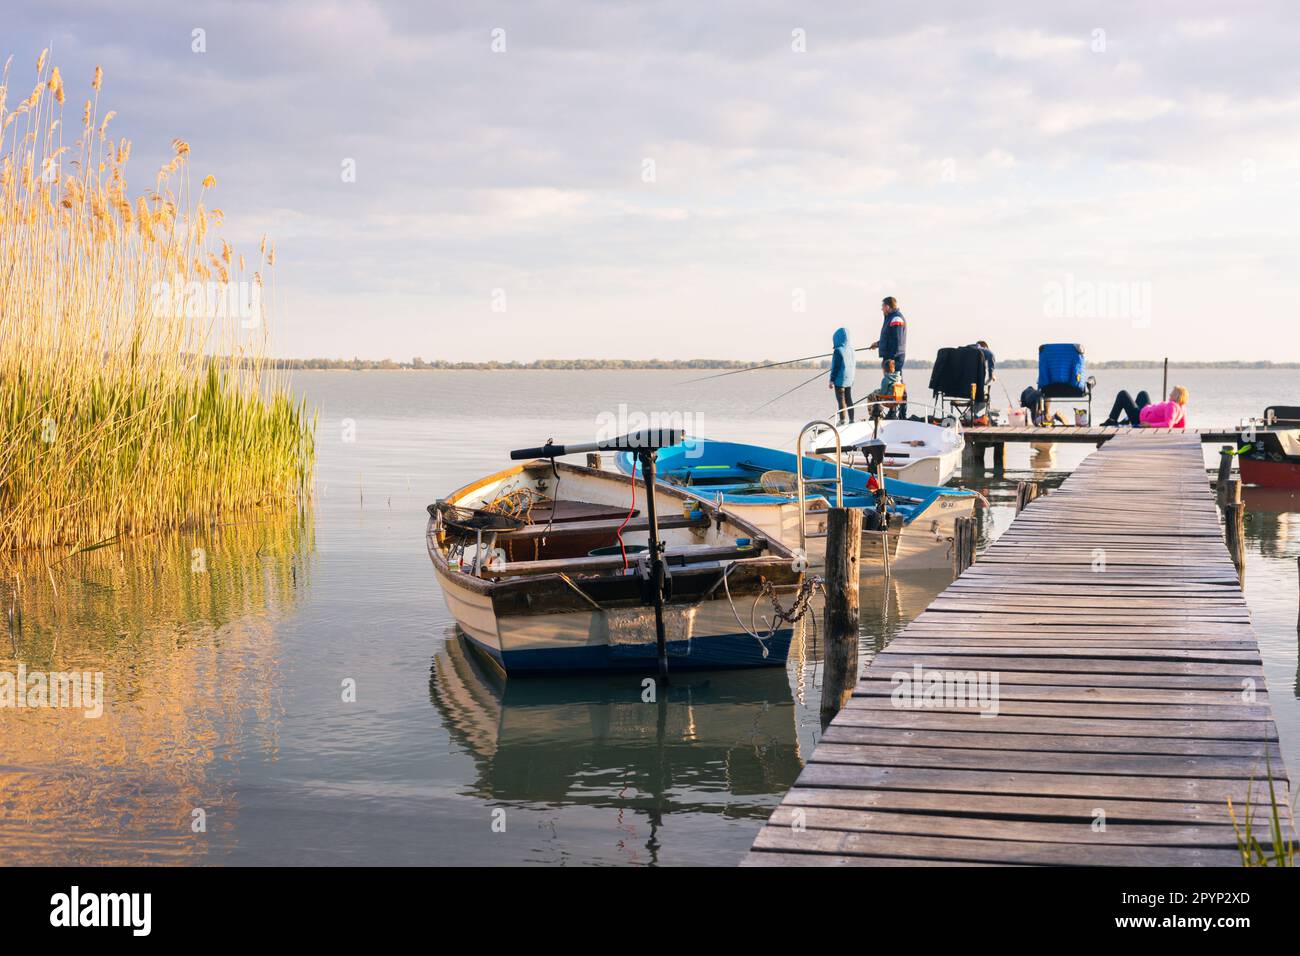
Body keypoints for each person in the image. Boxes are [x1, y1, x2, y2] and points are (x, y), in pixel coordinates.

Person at [869, 296, 907, 417]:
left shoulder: (896, 318)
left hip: (894, 358)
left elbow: (897, 340)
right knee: (892, 385)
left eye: (882, 307)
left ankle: (900, 412)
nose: (881, 309)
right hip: (890, 356)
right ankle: (893, 411)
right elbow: (888, 338)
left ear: (888, 306)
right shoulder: (890, 318)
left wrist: (891, 360)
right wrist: (878, 344)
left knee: (897, 385)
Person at [1102, 385, 1189, 428]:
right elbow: (1182, 425)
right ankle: (1127, 419)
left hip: (1139, 418)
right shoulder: (1182, 407)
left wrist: (1149, 425)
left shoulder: (1172, 405)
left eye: (1173, 393)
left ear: (1178, 396)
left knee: (1123, 394)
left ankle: (1112, 420)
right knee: (1143, 393)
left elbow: (1168, 424)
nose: (1170, 394)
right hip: (1146, 410)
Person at [827, 327, 856, 424]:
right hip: (849, 380)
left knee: (841, 400)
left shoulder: (838, 351)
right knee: (849, 399)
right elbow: (853, 365)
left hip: (840, 380)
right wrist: (852, 380)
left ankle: (842, 420)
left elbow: (835, 367)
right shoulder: (852, 350)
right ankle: (852, 420)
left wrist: (831, 380)